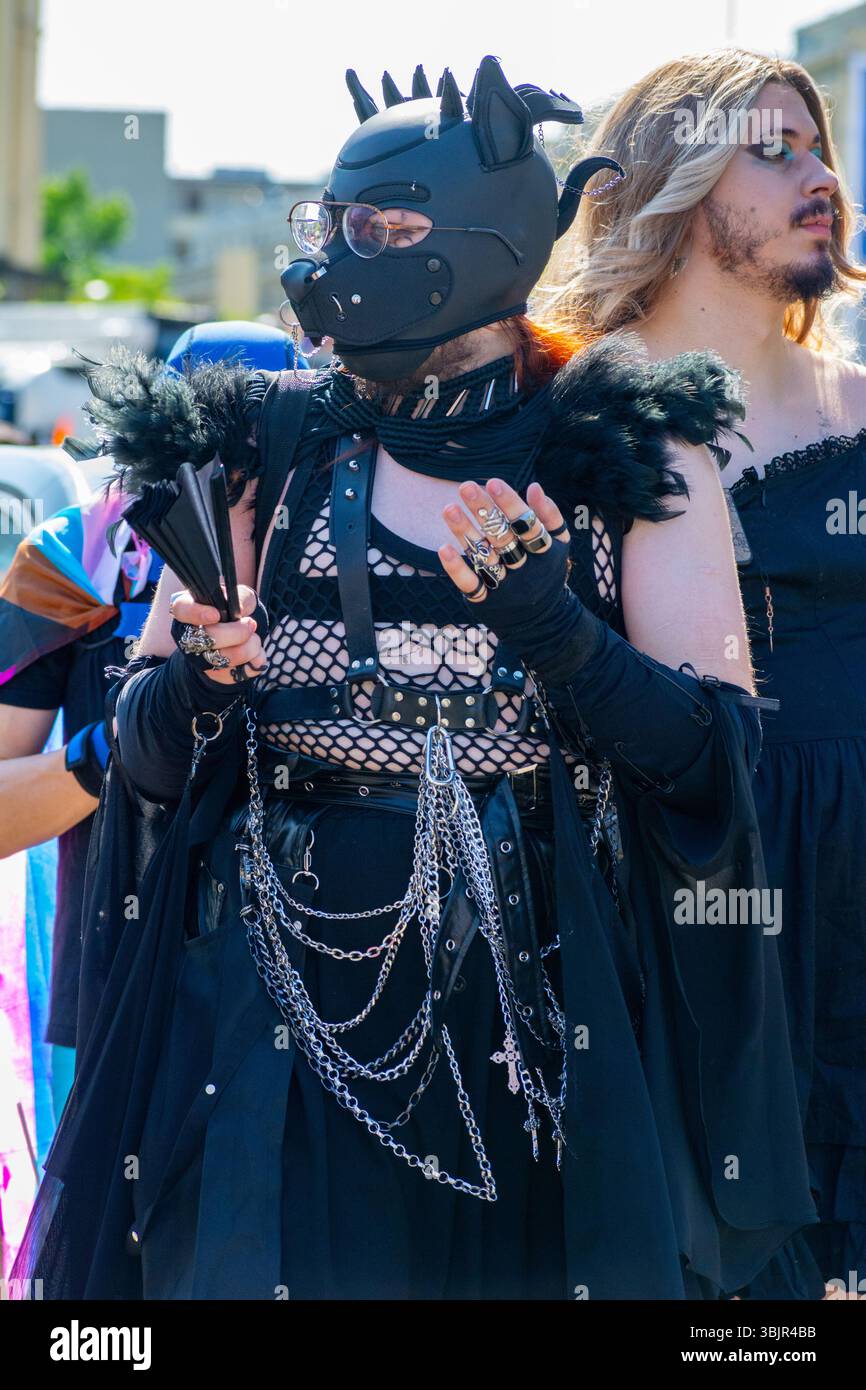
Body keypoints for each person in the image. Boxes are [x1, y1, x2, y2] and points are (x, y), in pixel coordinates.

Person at [12, 55, 817, 1301]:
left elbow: (714, 765)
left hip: (547, 1023)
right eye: (331, 224)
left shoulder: (629, 445)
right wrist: (199, 684)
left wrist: (555, 629)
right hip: (277, 1030)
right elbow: (148, 768)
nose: (341, 254)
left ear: (485, 232)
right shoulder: (260, 439)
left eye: (381, 226)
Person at [544, 47, 866, 1300]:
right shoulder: (576, 410)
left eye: (819, 147)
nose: (817, 176)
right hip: (684, 875)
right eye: (770, 148)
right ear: (672, 186)